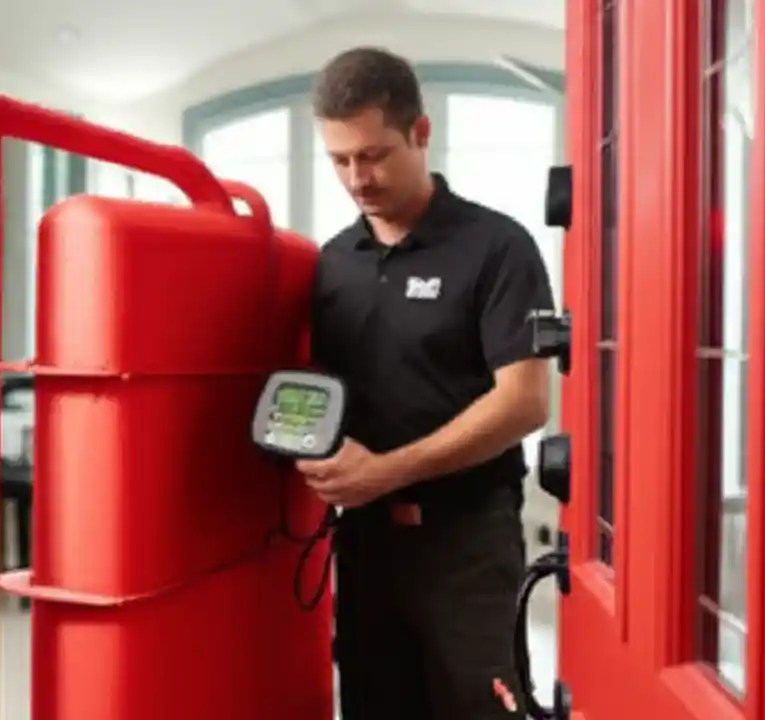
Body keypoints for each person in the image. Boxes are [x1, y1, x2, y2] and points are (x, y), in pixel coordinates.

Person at [296, 46, 556, 720]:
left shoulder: (497, 247)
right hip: (364, 546)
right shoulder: (331, 264)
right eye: (340, 160)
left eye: (375, 154)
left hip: (468, 546)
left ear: (420, 132)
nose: (358, 177)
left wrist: (384, 471)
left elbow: (525, 401)